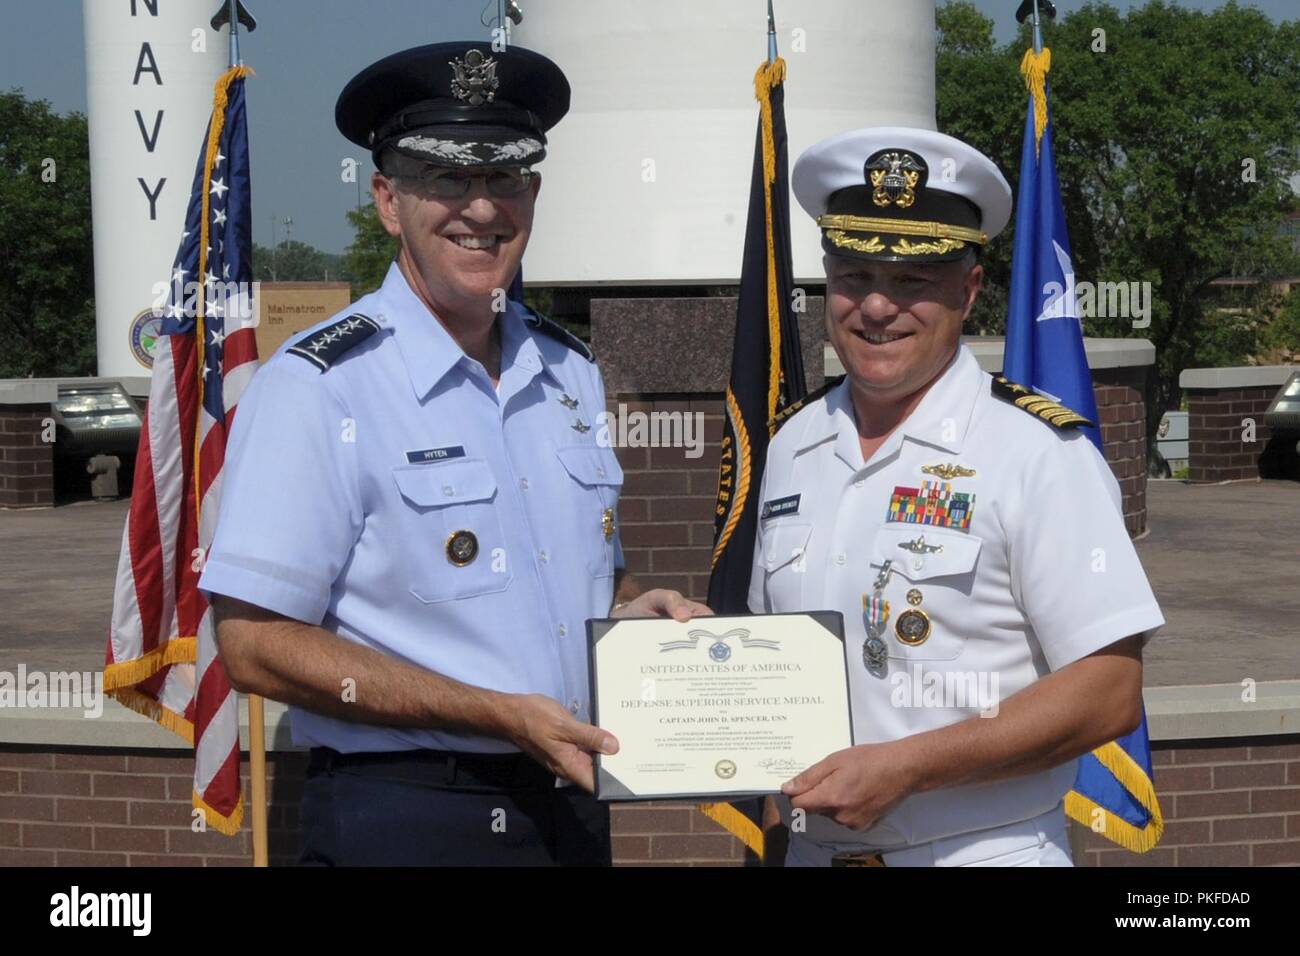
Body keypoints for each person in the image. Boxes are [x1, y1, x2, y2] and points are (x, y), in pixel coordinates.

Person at [198, 41, 708, 866]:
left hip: (572, 802)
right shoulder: (322, 386)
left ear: (532, 193)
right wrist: (495, 711)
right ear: (389, 201)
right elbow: (253, 643)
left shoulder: (567, 370)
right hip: (409, 812)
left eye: (504, 177)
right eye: (448, 179)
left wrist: (627, 621)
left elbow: (585, 581)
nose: (481, 208)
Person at [748, 127, 1164, 866]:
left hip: (980, 850)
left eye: (912, 281)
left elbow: (1108, 692)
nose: (876, 307)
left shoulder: (1037, 454)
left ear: (968, 291)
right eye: (853, 274)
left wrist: (909, 767)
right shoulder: (791, 445)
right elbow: (769, 666)